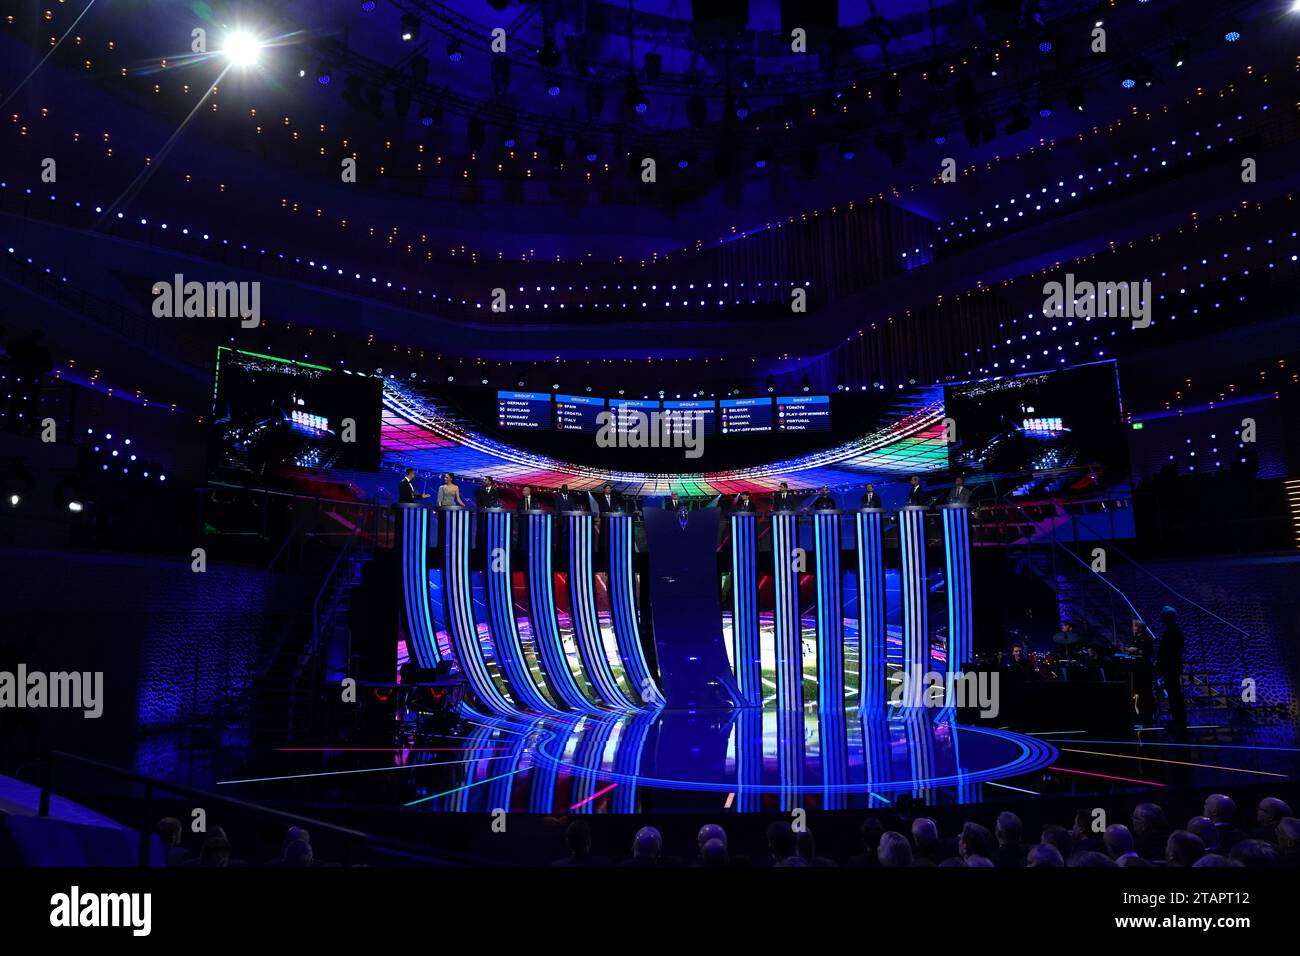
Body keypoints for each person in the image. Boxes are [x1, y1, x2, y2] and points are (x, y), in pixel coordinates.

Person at [1156, 605, 1186, 736]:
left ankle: (1178, 720)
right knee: (1175, 693)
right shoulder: (1176, 631)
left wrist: (1159, 663)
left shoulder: (1171, 633)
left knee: (1174, 694)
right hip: (1174, 666)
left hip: (1170, 667)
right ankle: (1179, 720)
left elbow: (1167, 652)